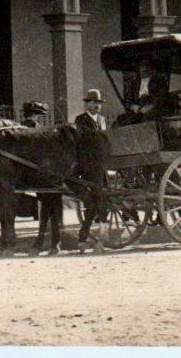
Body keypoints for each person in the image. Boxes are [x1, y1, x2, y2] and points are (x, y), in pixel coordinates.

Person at [22, 101, 64, 255]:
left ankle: (46, 243)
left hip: (34, 173)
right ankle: (53, 243)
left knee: (47, 208)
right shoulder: (36, 129)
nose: (37, 118)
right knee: (49, 208)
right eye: (38, 115)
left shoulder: (21, 128)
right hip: (41, 172)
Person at [74, 89, 110, 251]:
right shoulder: (81, 120)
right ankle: (90, 237)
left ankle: (92, 237)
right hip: (88, 165)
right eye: (92, 103)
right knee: (96, 199)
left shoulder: (102, 120)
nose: (96, 105)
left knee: (101, 198)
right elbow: (87, 138)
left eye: (98, 103)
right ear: (87, 104)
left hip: (101, 165)